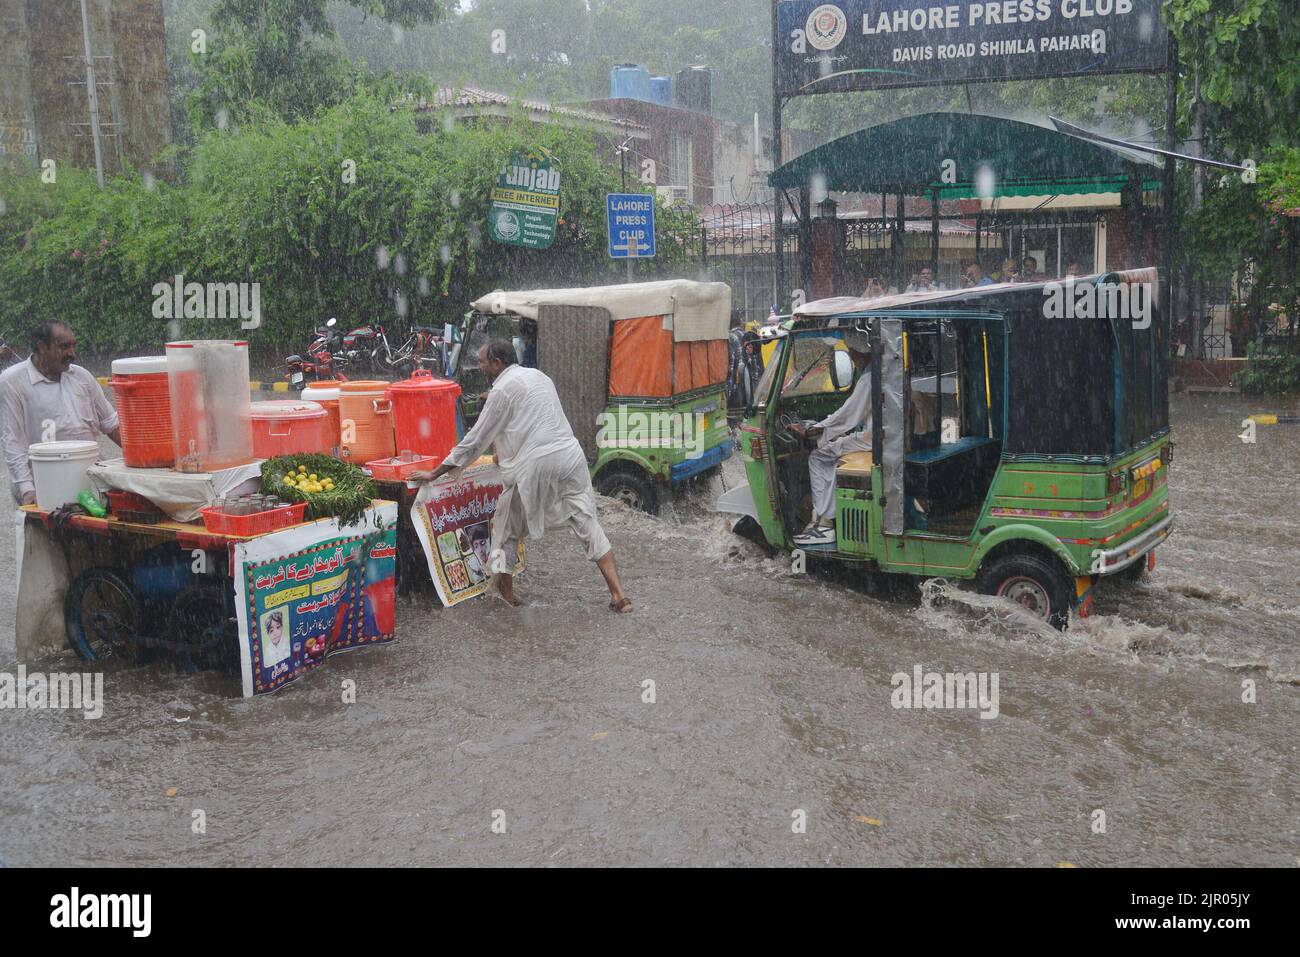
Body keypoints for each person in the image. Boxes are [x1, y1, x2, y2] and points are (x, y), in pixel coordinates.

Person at [410, 340, 632, 612]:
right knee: (587, 521)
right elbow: (532, 424)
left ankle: (506, 596)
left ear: (497, 363)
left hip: (536, 464)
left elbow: (475, 439)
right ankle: (619, 595)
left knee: (505, 529)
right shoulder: (539, 376)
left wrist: (436, 472)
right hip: (570, 455)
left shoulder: (502, 390)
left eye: (482, 362)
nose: (480, 367)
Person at [1, 321, 120, 505]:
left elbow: (112, 424)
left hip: (90, 482)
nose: (72, 353)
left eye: (74, 346)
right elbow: (13, 441)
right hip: (44, 487)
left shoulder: (82, 377)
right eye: (64, 347)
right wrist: (27, 489)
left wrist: (145, 460)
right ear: (41, 347)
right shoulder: (12, 381)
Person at [791, 330, 872, 547]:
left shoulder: (869, 379)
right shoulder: (883, 370)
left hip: (872, 441)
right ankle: (828, 514)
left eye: (853, 352)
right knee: (834, 449)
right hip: (882, 437)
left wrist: (815, 429)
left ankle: (825, 524)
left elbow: (848, 415)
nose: (852, 357)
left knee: (817, 457)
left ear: (861, 353)